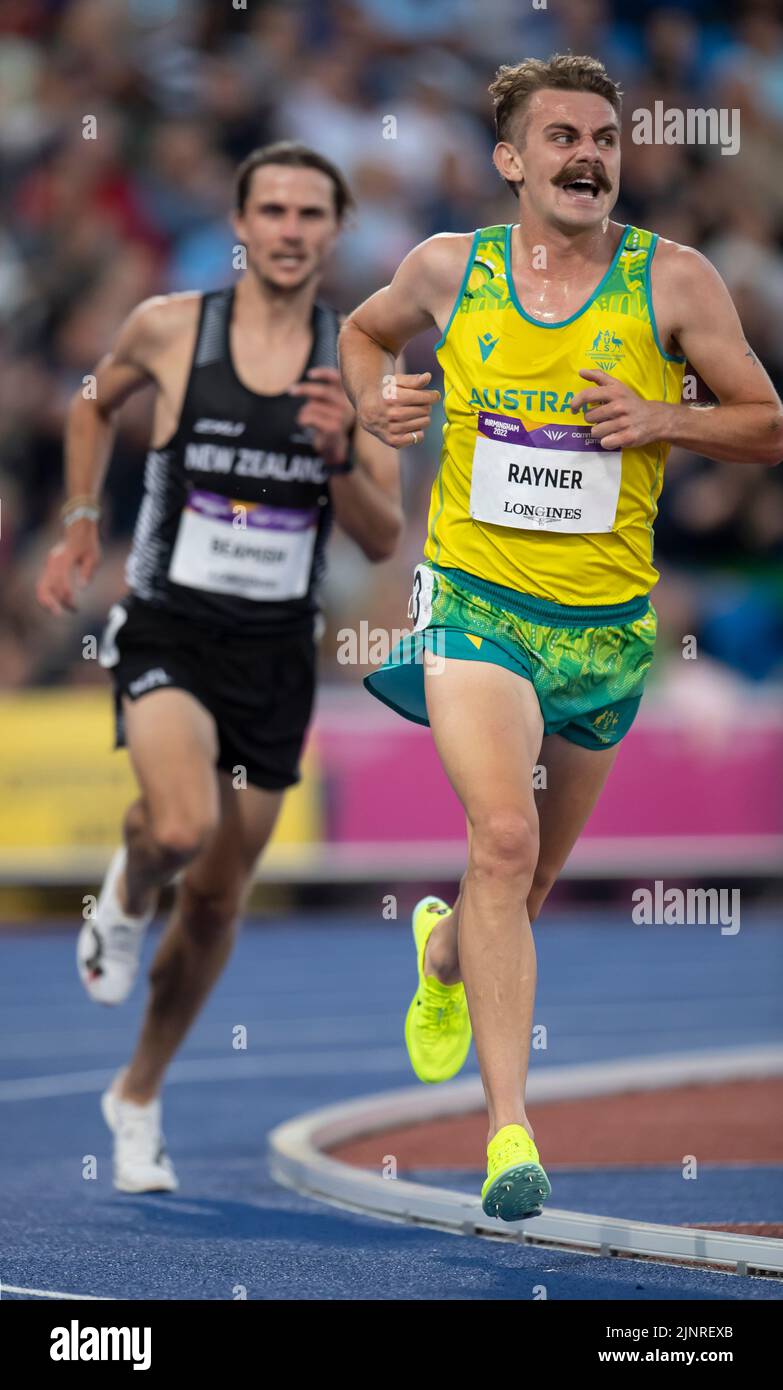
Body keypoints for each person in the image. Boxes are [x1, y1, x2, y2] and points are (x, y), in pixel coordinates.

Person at [338, 55, 783, 1221]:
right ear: (513, 160)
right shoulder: (452, 268)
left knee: (519, 883)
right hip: (477, 602)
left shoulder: (672, 283)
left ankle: (441, 957)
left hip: (604, 626)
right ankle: (508, 1136)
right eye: (563, 138)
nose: (589, 155)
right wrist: (383, 409)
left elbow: (768, 423)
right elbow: (361, 336)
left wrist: (664, 416)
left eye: (604, 137)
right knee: (498, 835)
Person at [36, 141, 402, 1194]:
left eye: (310, 214)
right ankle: (133, 872)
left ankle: (138, 1093)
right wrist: (75, 523)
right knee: (184, 825)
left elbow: (381, 538)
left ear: (335, 232)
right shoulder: (171, 327)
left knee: (216, 903)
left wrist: (338, 457)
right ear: (240, 226)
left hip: (273, 656)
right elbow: (90, 402)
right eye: (272, 211)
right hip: (168, 630)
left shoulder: (358, 362)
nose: (290, 230)